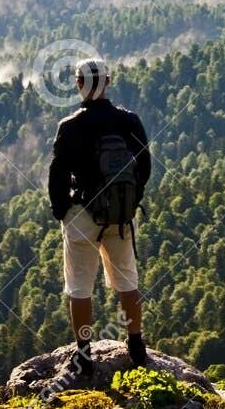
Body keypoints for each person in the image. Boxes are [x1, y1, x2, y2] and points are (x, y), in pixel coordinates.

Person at [47, 57, 152, 373]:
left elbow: (57, 175)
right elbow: (144, 167)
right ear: (108, 82)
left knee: (79, 286)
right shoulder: (129, 121)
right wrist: (130, 203)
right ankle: (135, 344)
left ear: (79, 83)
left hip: (82, 213)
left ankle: (83, 354)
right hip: (120, 214)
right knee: (127, 280)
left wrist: (62, 211)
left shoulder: (70, 126)